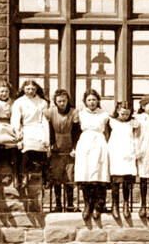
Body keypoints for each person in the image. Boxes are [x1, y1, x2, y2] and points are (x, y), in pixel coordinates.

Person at [73, 91, 111, 223]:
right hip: (85, 144)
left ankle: (98, 206)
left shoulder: (104, 115)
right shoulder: (80, 114)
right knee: (85, 175)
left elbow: (108, 132)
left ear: (98, 100)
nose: (92, 102)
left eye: (94, 100)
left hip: (99, 144)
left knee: (98, 175)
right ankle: (87, 205)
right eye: (89, 100)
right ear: (85, 101)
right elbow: (75, 132)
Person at [12, 80, 51, 193]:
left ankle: (45, 179)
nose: (30, 91)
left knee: (43, 151)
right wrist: (18, 135)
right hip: (26, 129)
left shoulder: (42, 102)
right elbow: (15, 119)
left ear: (36, 89)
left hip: (39, 129)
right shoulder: (19, 102)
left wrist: (46, 138)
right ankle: (24, 176)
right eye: (28, 88)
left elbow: (44, 121)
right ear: (23, 89)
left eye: (33, 89)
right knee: (26, 151)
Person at [107, 100, 139, 221]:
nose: (124, 116)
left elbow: (136, 137)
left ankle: (126, 204)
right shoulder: (112, 122)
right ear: (117, 112)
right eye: (122, 114)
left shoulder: (133, 123)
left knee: (126, 181)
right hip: (116, 153)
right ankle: (115, 205)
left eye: (127, 114)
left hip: (128, 153)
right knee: (115, 181)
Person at [47, 89, 78, 212]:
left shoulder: (73, 113)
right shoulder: (50, 113)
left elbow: (76, 132)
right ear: (55, 101)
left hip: (69, 147)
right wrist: (50, 144)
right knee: (57, 176)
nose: (62, 103)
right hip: (56, 148)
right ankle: (58, 204)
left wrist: (74, 147)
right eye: (59, 101)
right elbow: (47, 129)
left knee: (69, 176)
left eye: (64, 101)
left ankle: (70, 204)